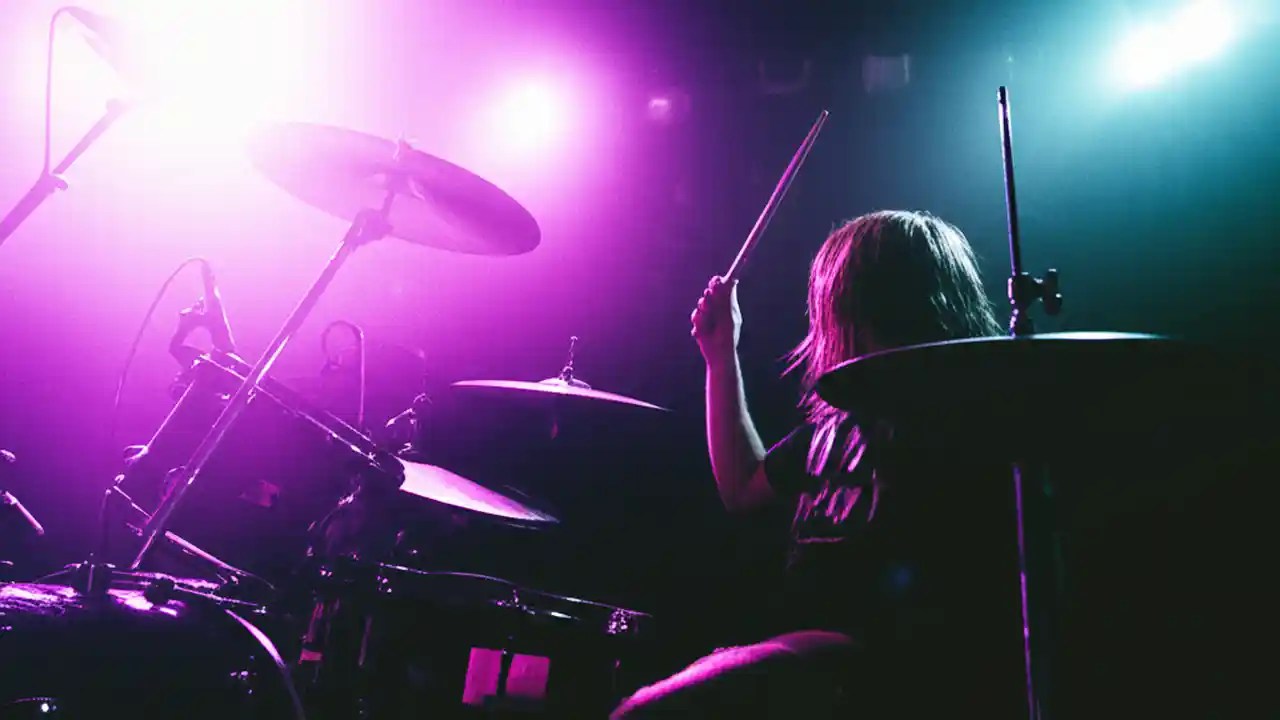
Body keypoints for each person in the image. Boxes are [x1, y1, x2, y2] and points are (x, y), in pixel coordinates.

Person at [612, 210, 1026, 719]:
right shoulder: (834, 426)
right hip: (804, 658)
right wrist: (722, 356)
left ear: (865, 304)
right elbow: (742, 486)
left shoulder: (959, 423)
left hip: (880, 668)